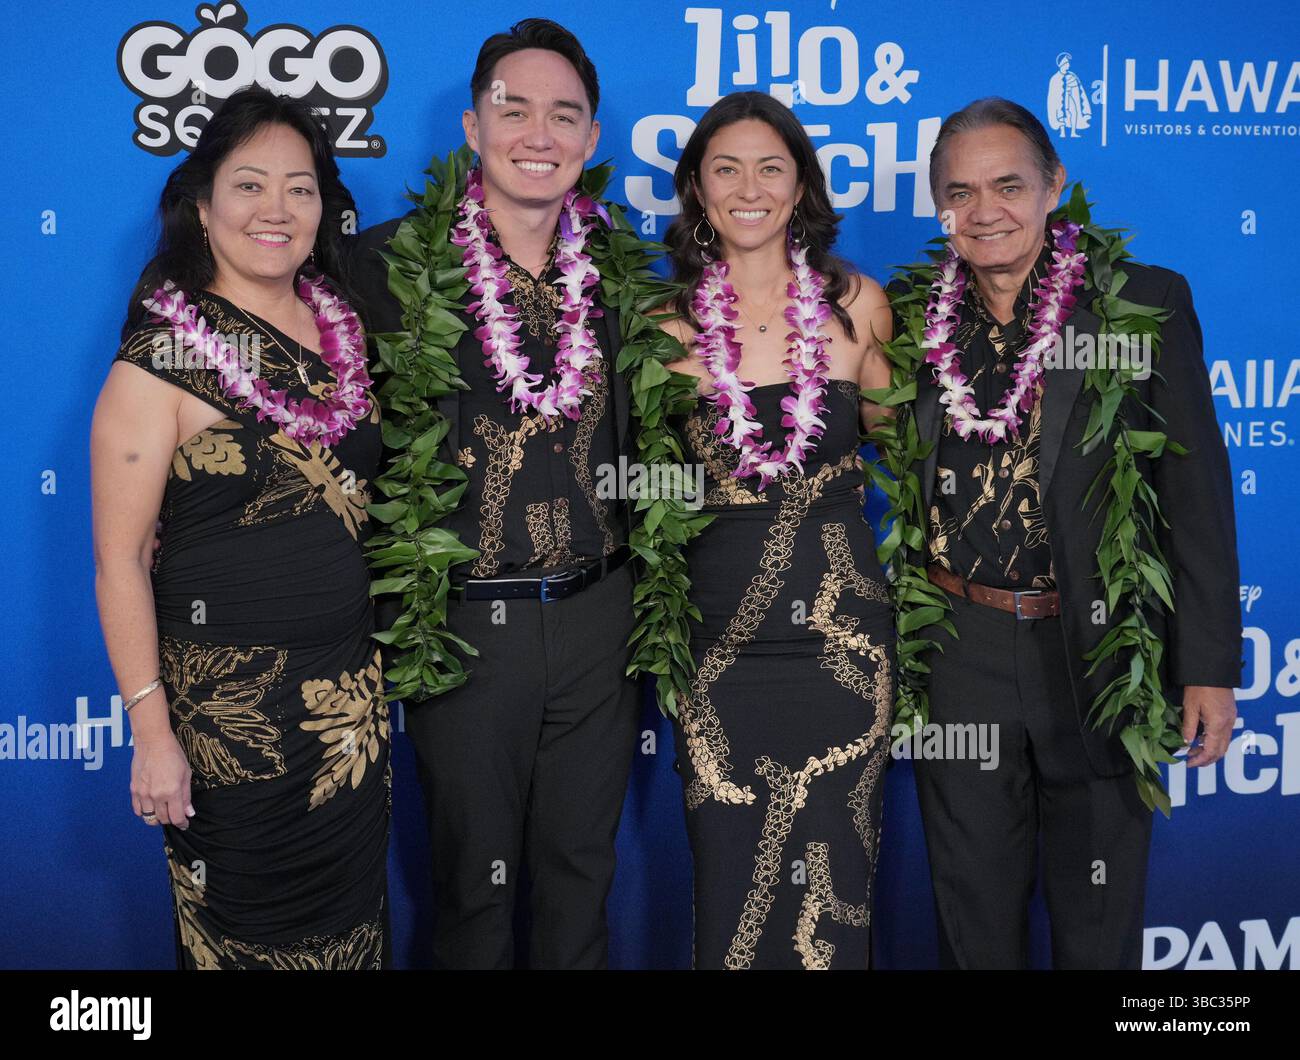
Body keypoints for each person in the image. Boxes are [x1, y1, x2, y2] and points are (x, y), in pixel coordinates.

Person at [888, 97, 1240, 968]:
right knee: (973, 914)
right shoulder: (907, 313)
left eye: (1008, 185)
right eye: (960, 192)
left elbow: (1195, 493)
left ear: (1056, 186)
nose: (985, 211)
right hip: (958, 649)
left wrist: (1207, 669)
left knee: (1097, 920)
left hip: (1096, 652)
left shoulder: (1140, 305)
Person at [351, 19, 638, 969]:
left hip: (601, 620)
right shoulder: (384, 270)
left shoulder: (627, 280)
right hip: (464, 631)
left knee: (580, 884)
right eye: (513, 109)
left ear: (592, 140)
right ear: (473, 126)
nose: (538, 133)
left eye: (565, 115)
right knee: (474, 895)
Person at [92, 85, 389, 969]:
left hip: (347, 714)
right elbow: (117, 561)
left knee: (352, 937)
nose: (277, 210)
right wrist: (152, 734)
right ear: (203, 203)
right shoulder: (160, 362)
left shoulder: (343, 331)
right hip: (230, 729)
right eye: (250, 185)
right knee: (251, 938)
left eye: (300, 189)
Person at [657, 91, 895, 969]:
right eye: (726, 168)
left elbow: (901, 448)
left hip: (839, 639)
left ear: (800, 187)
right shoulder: (662, 329)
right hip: (717, 643)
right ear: (696, 188)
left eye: (771, 167)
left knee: (837, 878)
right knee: (732, 879)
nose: (748, 187)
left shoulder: (860, 307)